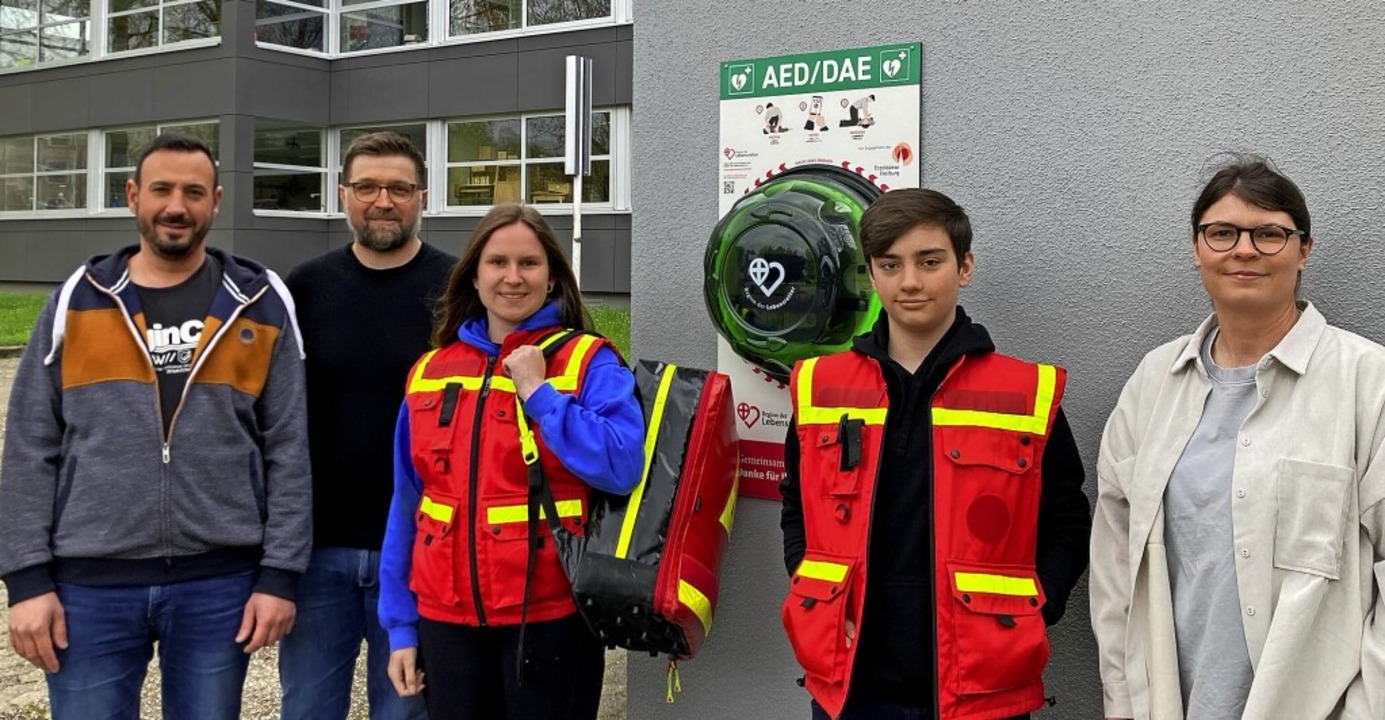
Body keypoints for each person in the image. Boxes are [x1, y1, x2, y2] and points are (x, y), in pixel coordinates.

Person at [0, 133, 311, 720]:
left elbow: (289, 448)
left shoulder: (260, 302)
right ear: (133, 196)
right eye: (162, 189)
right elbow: (29, 447)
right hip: (90, 585)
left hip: (219, 583)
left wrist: (279, 576)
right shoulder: (77, 301)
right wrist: (26, 580)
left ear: (216, 200)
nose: (177, 206)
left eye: (194, 192)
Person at [1091, 156, 1385, 720]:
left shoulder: (1365, 382)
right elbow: (1114, 566)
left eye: (1270, 233)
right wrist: (1125, 700)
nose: (1244, 250)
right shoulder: (1154, 381)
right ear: (1197, 249)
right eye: (1222, 233)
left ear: (1304, 250)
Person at [780, 188, 1091, 720]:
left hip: (981, 685)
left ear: (964, 266)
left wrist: (1039, 607)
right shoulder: (818, 386)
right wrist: (817, 600)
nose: (910, 282)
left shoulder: (1024, 393)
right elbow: (796, 508)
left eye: (930, 261)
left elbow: (1068, 517)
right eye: (890, 264)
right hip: (849, 683)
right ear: (873, 274)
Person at [378, 203, 644, 719]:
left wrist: (539, 393)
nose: (513, 277)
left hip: (552, 616)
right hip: (445, 618)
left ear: (552, 278)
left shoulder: (589, 360)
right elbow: (408, 504)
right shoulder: (431, 369)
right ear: (474, 277)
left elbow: (621, 462)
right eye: (498, 262)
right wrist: (400, 627)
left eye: (530, 263)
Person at [278, 132, 455, 720]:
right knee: (307, 708)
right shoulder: (301, 289)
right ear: (343, 195)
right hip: (317, 551)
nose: (384, 200)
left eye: (400, 188)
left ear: (423, 197)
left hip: (419, 550)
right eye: (367, 187)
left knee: (405, 712)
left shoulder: (460, 293)